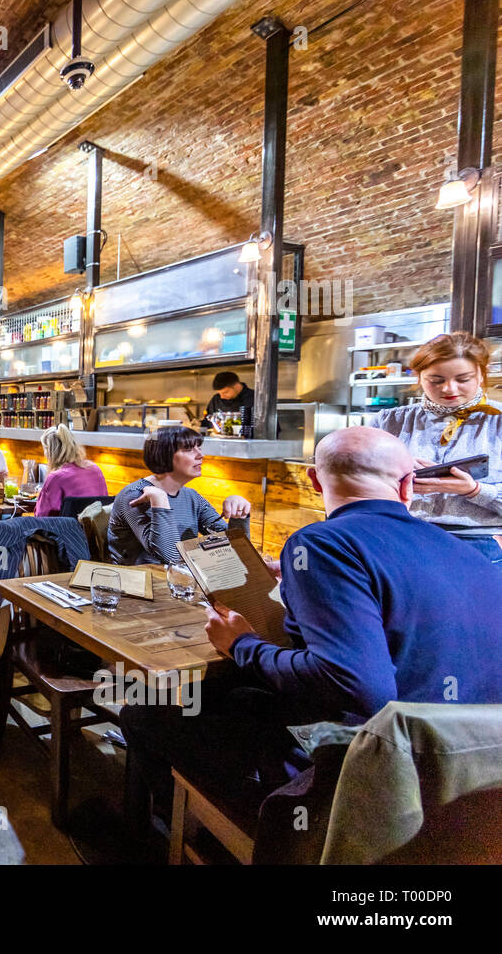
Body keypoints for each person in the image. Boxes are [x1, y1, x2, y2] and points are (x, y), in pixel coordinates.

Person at [120, 427, 502, 848]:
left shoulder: (321, 542)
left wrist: (241, 645)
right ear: (408, 485)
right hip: (471, 783)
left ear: (314, 480)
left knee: (146, 711)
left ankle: (204, 838)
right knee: (234, 696)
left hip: (369, 778)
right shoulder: (467, 550)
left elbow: (357, 685)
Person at [370, 331, 502, 569]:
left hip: (477, 542)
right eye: (436, 380)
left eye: (463, 379)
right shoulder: (388, 422)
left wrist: (474, 489)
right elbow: (360, 483)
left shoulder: (498, 422)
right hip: (402, 536)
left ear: (481, 375)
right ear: (419, 377)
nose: (449, 389)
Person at [108, 426, 251, 565]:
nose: (201, 455)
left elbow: (237, 549)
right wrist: (160, 500)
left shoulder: (191, 496)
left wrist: (239, 516)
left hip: (182, 581)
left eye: (198, 448)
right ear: (164, 454)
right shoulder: (134, 495)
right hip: (139, 583)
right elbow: (171, 557)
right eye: (189, 449)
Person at [34, 424, 107, 516]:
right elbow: (105, 503)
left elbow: (41, 516)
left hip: (64, 529)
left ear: (50, 451)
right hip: (95, 529)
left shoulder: (56, 478)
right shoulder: (95, 469)